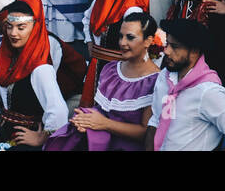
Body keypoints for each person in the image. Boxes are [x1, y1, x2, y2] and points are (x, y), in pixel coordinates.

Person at [47, 11, 159, 152]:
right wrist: (85, 120)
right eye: (121, 36)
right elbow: (101, 111)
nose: (122, 43)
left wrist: (104, 124)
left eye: (130, 37)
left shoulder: (155, 81)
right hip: (99, 141)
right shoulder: (111, 69)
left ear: (148, 41)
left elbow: (146, 131)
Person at [148, 18, 225, 151]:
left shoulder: (209, 91)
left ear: (194, 52)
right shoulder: (165, 76)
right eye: (167, 44)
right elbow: (156, 120)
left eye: (174, 46)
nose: (166, 51)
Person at [0, 0, 70, 148]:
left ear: (35, 28)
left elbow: (59, 112)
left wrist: (42, 138)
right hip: (5, 133)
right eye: (9, 27)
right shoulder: (6, 59)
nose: (13, 33)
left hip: (26, 141)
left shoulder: (40, 68)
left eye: (21, 27)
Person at [78, 0, 150, 105]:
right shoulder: (99, 1)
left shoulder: (132, 11)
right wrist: (90, 43)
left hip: (118, 80)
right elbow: (86, 19)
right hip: (96, 71)